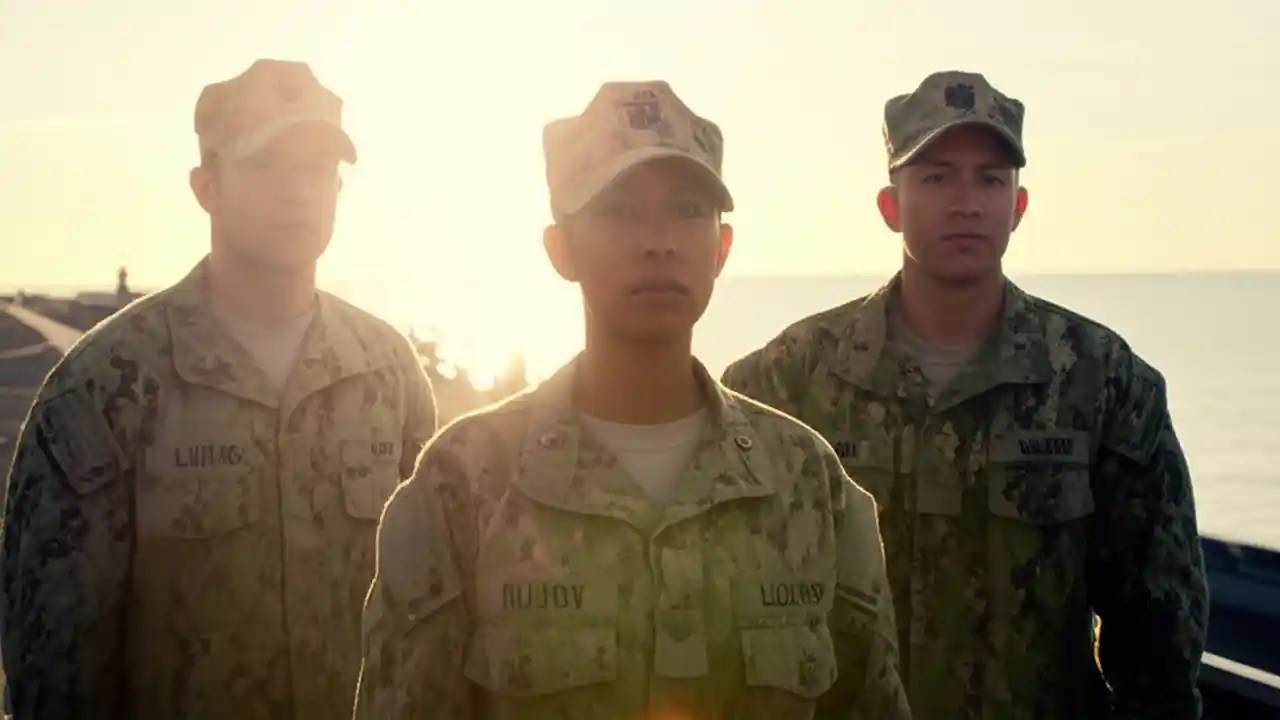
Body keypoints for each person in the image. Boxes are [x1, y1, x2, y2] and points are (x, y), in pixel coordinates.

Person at [353, 80, 911, 719]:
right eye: (618, 209)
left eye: (687, 209)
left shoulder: (809, 482)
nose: (658, 240)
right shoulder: (464, 483)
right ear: (559, 249)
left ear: (721, 249)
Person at [721, 70, 1209, 719]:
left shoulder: (1103, 382)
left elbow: (1159, 645)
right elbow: (726, 610)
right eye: (936, 176)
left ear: (1019, 204)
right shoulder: (786, 382)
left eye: (989, 179)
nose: (966, 201)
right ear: (890, 204)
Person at [0, 59, 437, 720]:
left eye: (318, 167)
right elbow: (54, 675)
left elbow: (429, 628)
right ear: (206, 186)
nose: (297, 191)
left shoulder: (388, 373)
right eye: (266, 164)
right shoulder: (107, 387)